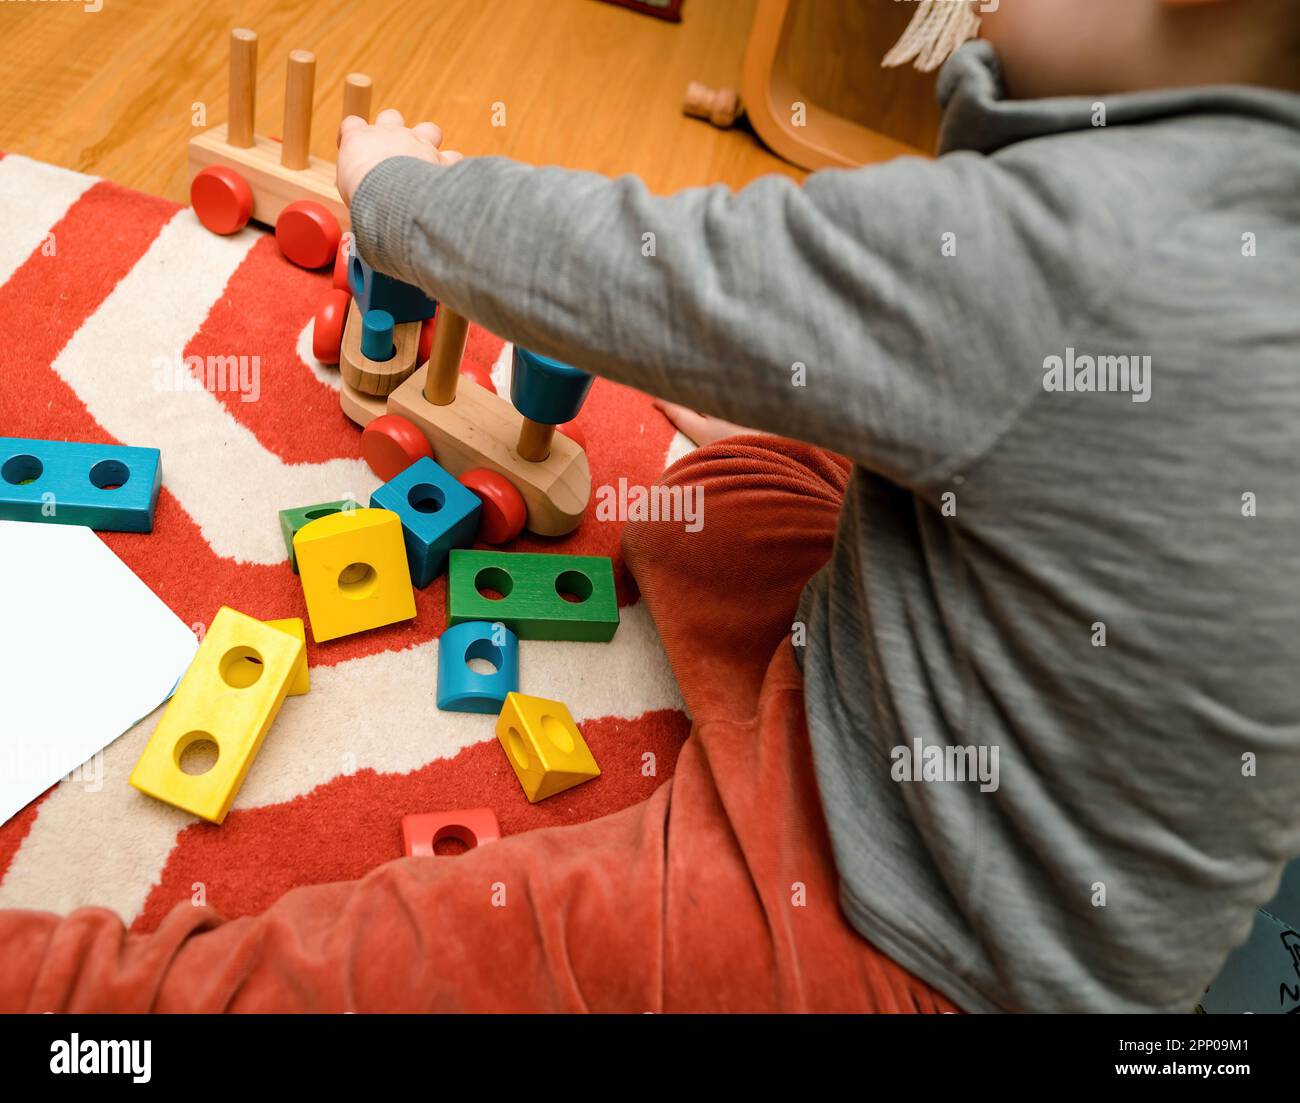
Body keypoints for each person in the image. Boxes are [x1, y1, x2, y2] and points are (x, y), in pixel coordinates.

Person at [3, 0, 1297, 1012]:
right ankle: (788, 420)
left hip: (922, 946)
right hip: (967, 712)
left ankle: (98, 1005)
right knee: (724, 501)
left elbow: (650, 272)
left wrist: (399, 199)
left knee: (428, 956)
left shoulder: (1093, 245)